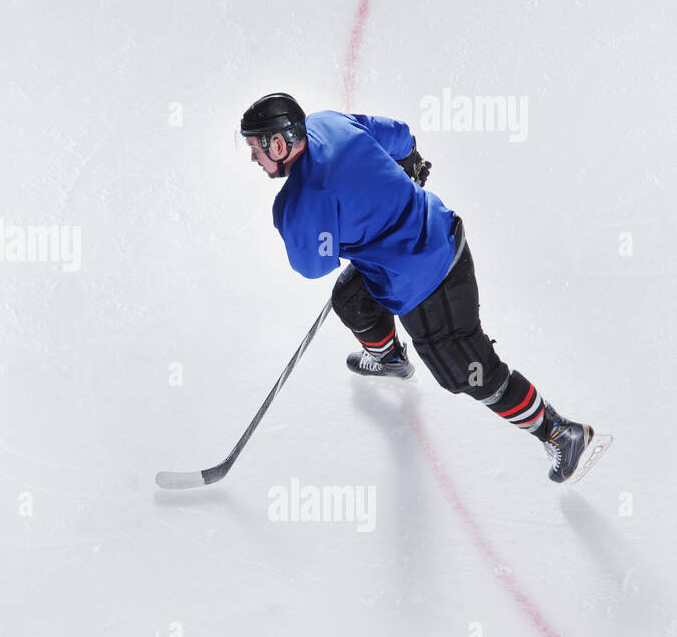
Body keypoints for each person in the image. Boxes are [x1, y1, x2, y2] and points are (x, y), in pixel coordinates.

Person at [239, 92, 607, 484]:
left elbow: (314, 265)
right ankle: (390, 359)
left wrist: (306, 220)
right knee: (351, 299)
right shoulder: (327, 122)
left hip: (430, 279)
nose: (252, 159)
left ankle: (559, 432)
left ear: (277, 144)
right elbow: (398, 137)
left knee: (466, 372)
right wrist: (407, 165)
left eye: (253, 149)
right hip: (435, 229)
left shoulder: (300, 202)